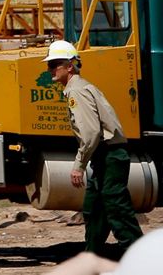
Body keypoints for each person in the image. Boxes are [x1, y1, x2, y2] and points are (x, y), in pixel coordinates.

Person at [45, 39, 142, 256]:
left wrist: (78, 165)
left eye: (54, 64)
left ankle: (142, 259)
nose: (50, 69)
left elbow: (90, 133)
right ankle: (91, 258)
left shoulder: (76, 91)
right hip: (106, 155)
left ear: (70, 66)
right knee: (95, 209)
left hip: (109, 155)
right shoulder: (80, 87)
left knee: (117, 209)